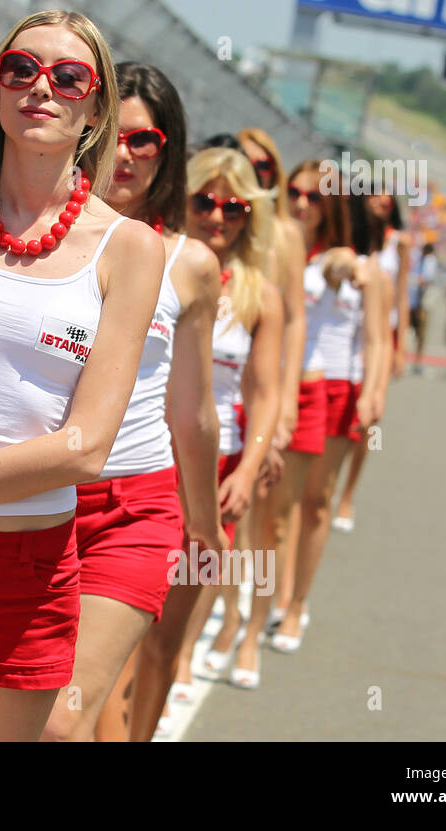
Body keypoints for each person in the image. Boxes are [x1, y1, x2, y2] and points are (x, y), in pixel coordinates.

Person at [0, 15, 162, 742]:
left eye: (69, 76)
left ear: (95, 108)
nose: (41, 86)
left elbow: (84, 447)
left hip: (21, 555)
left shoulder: (129, 248)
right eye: (20, 67)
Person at [44, 62, 222, 742]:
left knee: (64, 718)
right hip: (32, 501)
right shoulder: (33, 234)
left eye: (145, 140)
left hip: (131, 511)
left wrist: (202, 525)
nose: (125, 152)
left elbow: (193, 410)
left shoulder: (189, 263)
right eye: (116, 132)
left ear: (168, 150)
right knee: (23, 716)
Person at [169, 148, 282, 694]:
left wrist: (250, 465)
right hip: (147, 451)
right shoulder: (154, 264)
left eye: (233, 207)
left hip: (222, 456)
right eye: (204, 201)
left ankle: (182, 654)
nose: (217, 217)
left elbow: (266, 394)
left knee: (201, 568)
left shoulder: (262, 295)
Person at [268, 162, 387, 656]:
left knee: (318, 501)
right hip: (282, 383)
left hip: (336, 386)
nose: (301, 204)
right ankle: (272, 599)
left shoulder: (353, 262)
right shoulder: (274, 249)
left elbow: (378, 340)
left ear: (333, 206)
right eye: (293, 193)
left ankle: (297, 604)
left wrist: (372, 392)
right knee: (281, 502)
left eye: (314, 197)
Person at [235, 126, 306, 663]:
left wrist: (283, 406)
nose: (251, 176)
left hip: (262, 389)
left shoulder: (283, 235)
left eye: (262, 170)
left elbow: (296, 322)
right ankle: (221, 619)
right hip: (214, 386)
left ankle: (252, 633)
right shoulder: (210, 223)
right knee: (220, 525)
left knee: (262, 522)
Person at [332, 186, 408, 533]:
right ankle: (327, 484)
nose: (380, 201)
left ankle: (347, 495)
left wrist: (401, 343)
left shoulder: (398, 244)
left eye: (386, 198)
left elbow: (403, 294)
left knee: (368, 423)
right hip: (348, 331)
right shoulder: (348, 242)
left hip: (381, 335)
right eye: (374, 195)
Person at [410, 243, 438, 375]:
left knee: (421, 333)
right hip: (412, 301)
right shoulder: (416, 258)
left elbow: (427, 280)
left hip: (422, 303)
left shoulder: (430, 262)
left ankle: (418, 361)